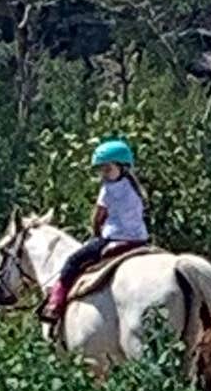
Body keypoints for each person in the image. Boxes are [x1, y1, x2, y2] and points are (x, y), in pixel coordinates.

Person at [46, 137, 152, 322]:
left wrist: (96, 233)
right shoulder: (135, 188)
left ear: (122, 167)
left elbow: (97, 217)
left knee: (72, 261)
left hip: (114, 239)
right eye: (102, 169)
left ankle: (55, 304)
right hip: (141, 240)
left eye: (108, 168)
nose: (104, 173)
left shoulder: (108, 189)